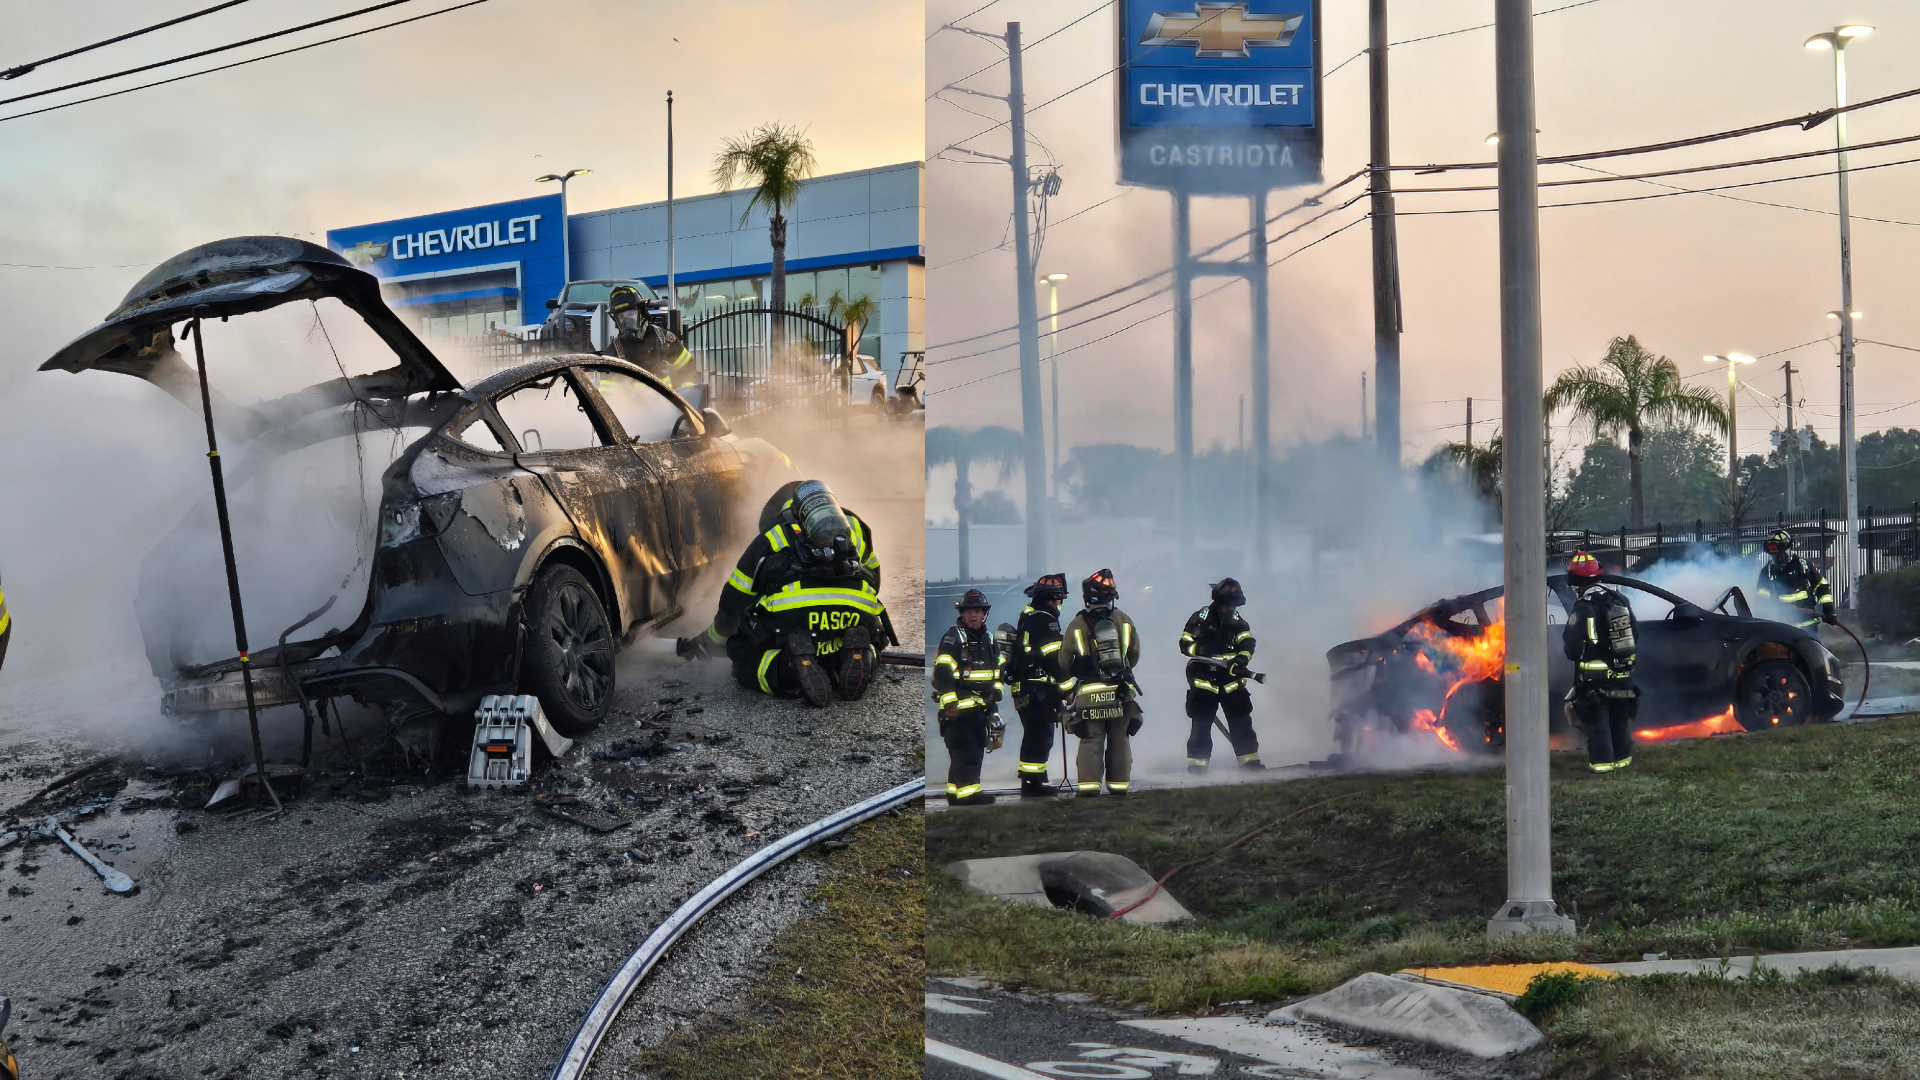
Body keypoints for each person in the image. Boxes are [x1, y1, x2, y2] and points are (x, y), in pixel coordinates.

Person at [681, 480, 885, 707]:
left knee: (743, 660)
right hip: (853, 614)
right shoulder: (855, 526)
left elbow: (734, 602)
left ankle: (787, 666)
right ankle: (862, 654)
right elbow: (874, 580)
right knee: (875, 638)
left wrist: (709, 642)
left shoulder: (772, 535)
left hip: (794, 622)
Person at [1062, 569, 1141, 796]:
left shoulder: (1077, 623)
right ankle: (1118, 787)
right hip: (1120, 692)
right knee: (1119, 740)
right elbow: (1134, 655)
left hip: (1089, 695)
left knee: (1091, 740)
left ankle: (1088, 790)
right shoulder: (1124, 620)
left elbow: (1063, 660)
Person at [1562, 551, 1637, 772]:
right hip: (1623, 674)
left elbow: (1572, 644)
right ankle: (1623, 763)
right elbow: (1636, 634)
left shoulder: (1584, 606)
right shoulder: (1618, 599)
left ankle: (1603, 767)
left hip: (1595, 678)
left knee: (1597, 722)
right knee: (1619, 720)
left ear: (1576, 580)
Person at [1181, 577, 1262, 774]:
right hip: (1204, 683)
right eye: (1226, 605)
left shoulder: (1238, 622)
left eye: (1233, 606)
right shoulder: (1201, 617)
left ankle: (1250, 764)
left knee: (1242, 724)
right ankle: (1197, 768)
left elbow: (1248, 644)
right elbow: (1185, 643)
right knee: (1200, 728)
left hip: (1232, 683)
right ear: (1217, 602)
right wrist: (1201, 649)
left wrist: (1240, 661)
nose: (1229, 609)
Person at [933, 589, 1005, 806]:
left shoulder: (990, 640)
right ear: (962, 614)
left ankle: (955, 793)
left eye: (977, 611)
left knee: (969, 751)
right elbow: (942, 673)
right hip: (959, 711)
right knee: (967, 751)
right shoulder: (954, 637)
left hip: (980, 708)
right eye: (968, 611)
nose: (973, 615)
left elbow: (997, 672)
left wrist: (994, 702)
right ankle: (968, 795)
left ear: (984, 613)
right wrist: (951, 705)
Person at [1009, 573, 1072, 797]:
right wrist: (1068, 690)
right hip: (1037, 692)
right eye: (1060, 600)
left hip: (1027, 689)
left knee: (1035, 736)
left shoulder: (1029, 617)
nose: (1060, 604)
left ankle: (1034, 781)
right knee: (1040, 737)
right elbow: (1053, 659)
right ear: (1054, 600)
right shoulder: (1045, 621)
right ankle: (1032, 785)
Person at [607, 284, 697, 388]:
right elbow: (607, 393)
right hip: (632, 404)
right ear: (616, 320)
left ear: (641, 312)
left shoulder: (664, 339)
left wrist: (685, 393)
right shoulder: (613, 351)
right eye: (621, 317)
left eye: (630, 314)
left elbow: (687, 368)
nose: (627, 321)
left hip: (666, 404)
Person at [1755, 528, 1837, 629]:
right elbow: (1761, 600)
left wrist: (1828, 610)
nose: (1778, 558)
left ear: (1789, 549)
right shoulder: (1766, 572)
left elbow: (1822, 586)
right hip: (1781, 627)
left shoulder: (1804, 567)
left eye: (1781, 554)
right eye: (1774, 556)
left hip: (1807, 625)